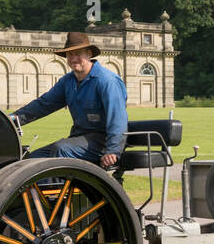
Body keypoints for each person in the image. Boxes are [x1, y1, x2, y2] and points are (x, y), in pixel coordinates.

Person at [9, 31, 127, 168]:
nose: (73, 58)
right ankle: (32, 190)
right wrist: (12, 119)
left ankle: (56, 188)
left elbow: (117, 118)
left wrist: (113, 150)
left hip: (102, 142)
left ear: (89, 54)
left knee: (61, 149)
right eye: (70, 54)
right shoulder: (68, 82)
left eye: (78, 53)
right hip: (78, 139)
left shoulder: (107, 81)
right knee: (32, 159)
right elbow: (43, 105)